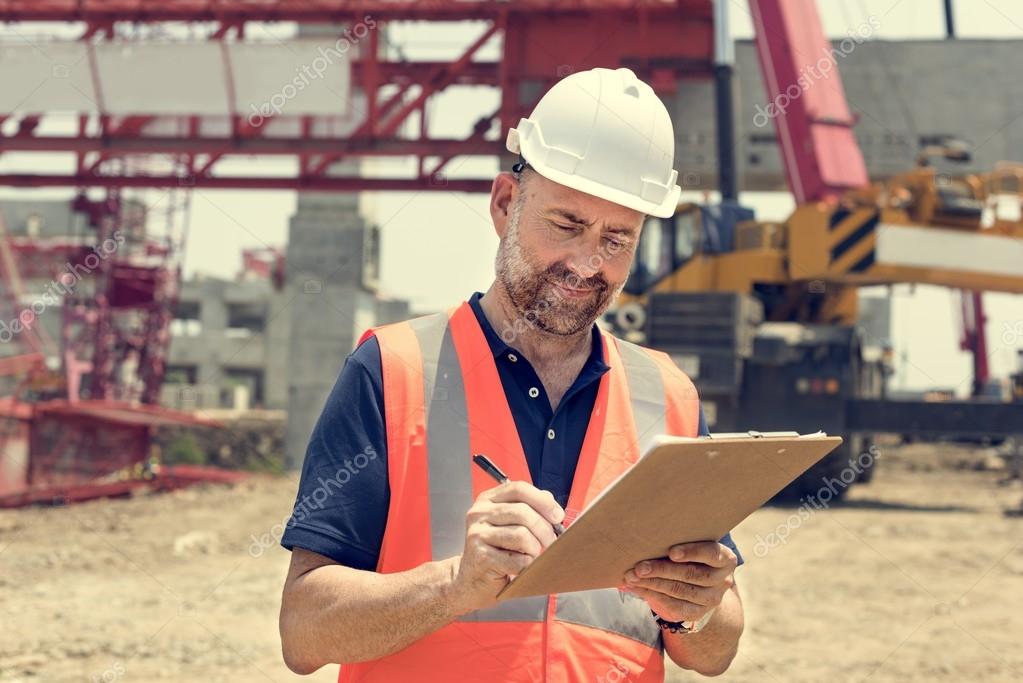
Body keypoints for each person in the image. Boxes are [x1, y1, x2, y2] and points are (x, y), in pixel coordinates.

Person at [278, 67, 745, 682]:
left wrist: (698, 612)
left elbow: (717, 651)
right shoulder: (392, 370)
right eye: (567, 225)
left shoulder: (670, 396)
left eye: (617, 238)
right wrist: (455, 583)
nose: (587, 263)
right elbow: (304, 634)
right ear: (504, 204)